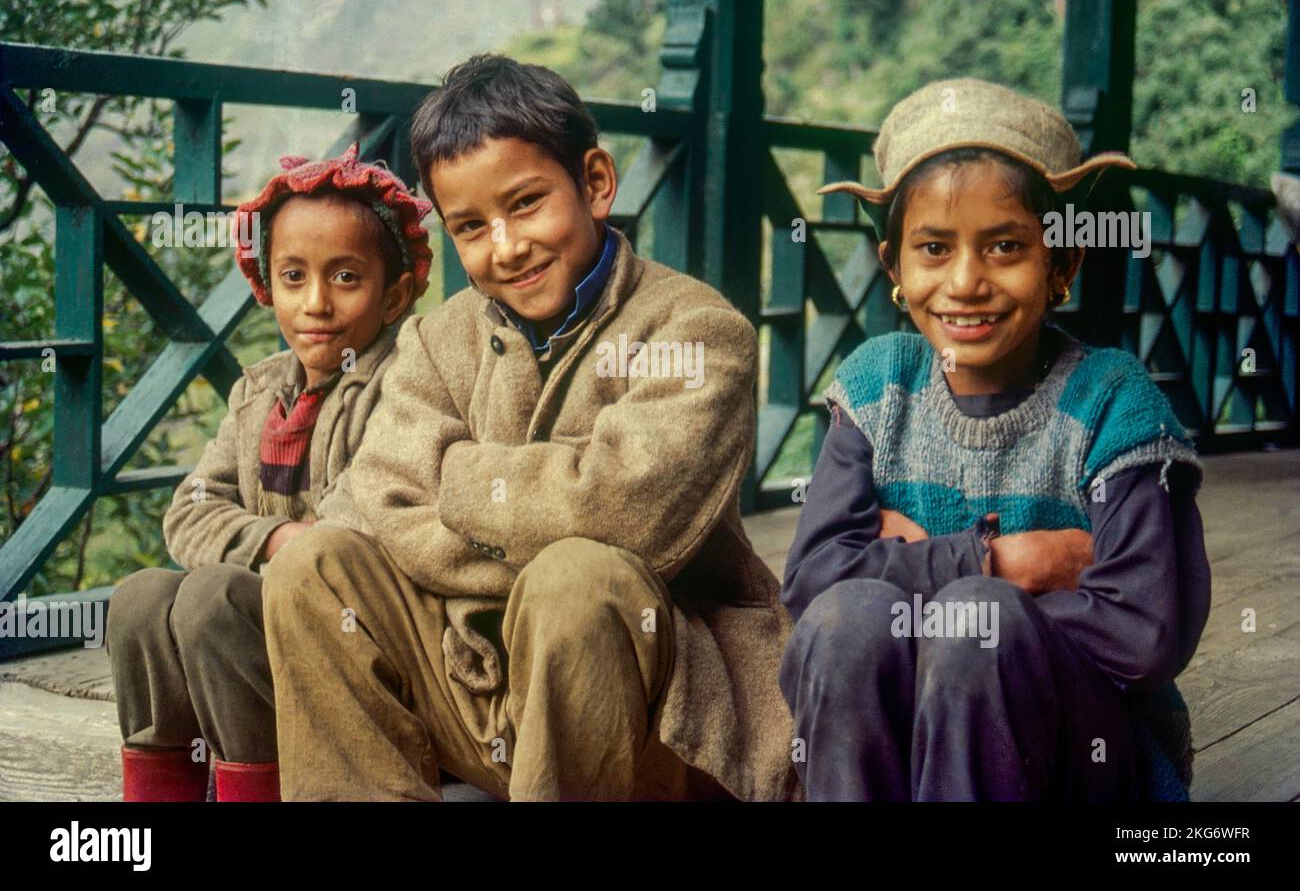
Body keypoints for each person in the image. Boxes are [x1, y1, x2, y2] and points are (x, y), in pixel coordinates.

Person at [260, 54, 800, 801]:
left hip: (651, 722)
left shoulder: (696, 330)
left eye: (526, 204)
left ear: (597, 183)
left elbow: (626, 514)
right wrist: (550, 507)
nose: (506, 246)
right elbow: (375, 504)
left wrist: (456, 479)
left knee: (578, 576)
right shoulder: (434, 341)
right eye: (471, 227)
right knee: (312, 564)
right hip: (478, 696)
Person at [779, 78, 1212, 801]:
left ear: (1062, 266)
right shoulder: (877, 386)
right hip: (907, 750)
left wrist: (935, 588)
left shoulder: (1112, 401)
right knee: (849, 620)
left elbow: (1143, 630)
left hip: (1077, 757)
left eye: (1006, 246)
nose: (966, 281)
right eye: (934, 249)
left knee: (974, 627)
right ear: (894, 267)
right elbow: (814, 581)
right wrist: (996, 561)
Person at [106, 144, 431, 801]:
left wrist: (265, 550)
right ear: (266, 284)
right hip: (262, 645)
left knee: (214, 596)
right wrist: (277, 541)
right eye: (293, 277)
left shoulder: (407, 385)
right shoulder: (260, 393)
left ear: (395, 295)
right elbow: (191, 509)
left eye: (345, 278)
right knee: (140, 598)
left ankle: (255, 787)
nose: (315, 302)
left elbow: (364, 521)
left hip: (361, 649)